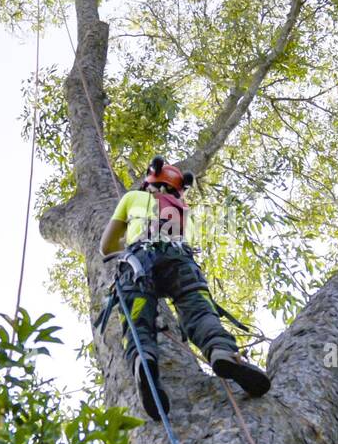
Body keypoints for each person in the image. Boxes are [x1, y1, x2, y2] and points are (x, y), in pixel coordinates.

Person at [98, 156, 271, 420]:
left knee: (137, 317)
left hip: (138, 263)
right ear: (179, 188)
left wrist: (129, 244)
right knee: (199, 312)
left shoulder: (132, 198)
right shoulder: (181, 208)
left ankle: (143, 359)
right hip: (180, 262)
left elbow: (106, 247)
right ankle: (221, 351)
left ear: (149, 180)